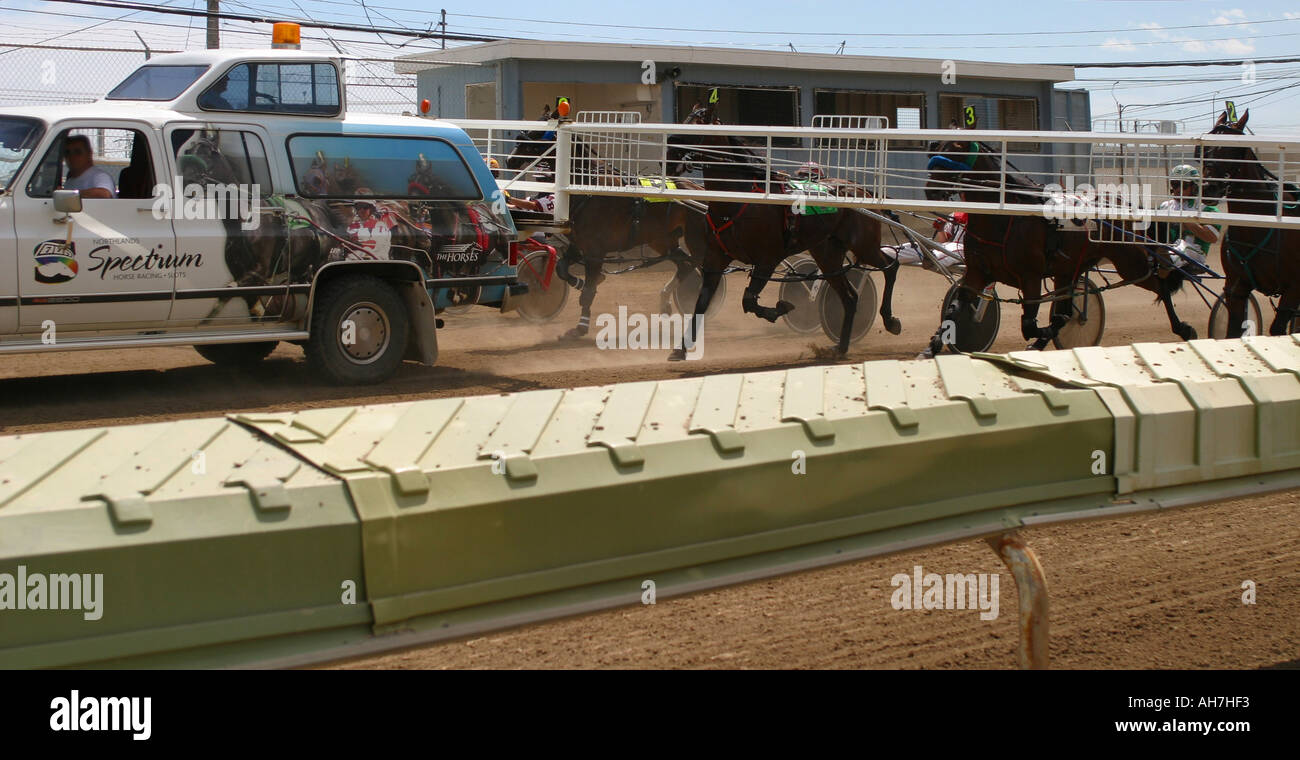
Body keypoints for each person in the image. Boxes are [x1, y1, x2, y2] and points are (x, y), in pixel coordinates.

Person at [1155, 164, 1220, 270]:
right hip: (1166, 246)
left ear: (1194, 187)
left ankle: (1166, 265)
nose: (1177, 190)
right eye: (1175, 185)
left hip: (1194, 251)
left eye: (1183, 186)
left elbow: (1212, 237)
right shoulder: (1164, 206)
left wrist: (1186, 222)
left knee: (1182, 246)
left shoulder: (1206, 208)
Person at [885, 212, 967, 271]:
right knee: (917, 246)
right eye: (962, 193)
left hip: (967, 251)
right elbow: (943, 242)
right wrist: (941, 229)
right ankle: (886, 252)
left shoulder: (979, 217)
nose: (963, 196)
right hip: (946, 247)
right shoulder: (955, 215)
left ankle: (932, 259)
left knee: (954, 248)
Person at [347, 194, 393, 260]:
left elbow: (376, 245)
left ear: (371, 209)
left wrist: (359, 245)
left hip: (374, 262)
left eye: (365, 207)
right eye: (359, 207)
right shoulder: (351, 226)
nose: (362, 210)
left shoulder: (380, 225)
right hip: (351, 262)